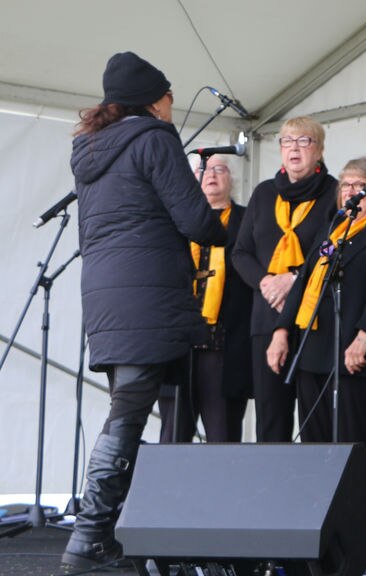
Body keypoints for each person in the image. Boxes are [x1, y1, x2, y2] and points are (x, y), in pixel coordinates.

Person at [62, 51, 227, 570]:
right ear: (151, 99)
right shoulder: (155, 139)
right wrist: (218, 227)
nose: (174, 101)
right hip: (148, 293)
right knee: (129, 415)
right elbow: (197, 220)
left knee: (129, 408)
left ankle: (122, 532)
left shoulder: (88, 147)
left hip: (106, 294)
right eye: (169, 92)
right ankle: (88, 537)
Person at [267, 156, 366, 539]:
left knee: (355, 436)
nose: (351, 191)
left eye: (360, 185)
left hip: (355, 347)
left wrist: (364, 336)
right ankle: (323, 522)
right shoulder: (332, 229)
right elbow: (302, 285)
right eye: (346, 185)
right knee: (315, 437)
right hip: (312, 343)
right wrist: (282, 331)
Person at [232, 116, 338, 441]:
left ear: (318, 150)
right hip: (267, 315)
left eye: (304, 141)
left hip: (312, 321)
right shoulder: (264, 193)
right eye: (287, 141)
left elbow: (332, 247)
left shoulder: (334, 192)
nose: (294, 148)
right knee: (271, 417)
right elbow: (241, 252)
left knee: (313, 420)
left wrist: (292, 279)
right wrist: (266, 282)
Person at [158, 154, 253, 443]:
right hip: (179, 347)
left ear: (232, 179)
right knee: (174, 435)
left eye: (219, 169)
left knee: (223, 436)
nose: (210, 175)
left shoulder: (247, 220)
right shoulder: (173, 221)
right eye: (202, 169)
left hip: (226, 344)